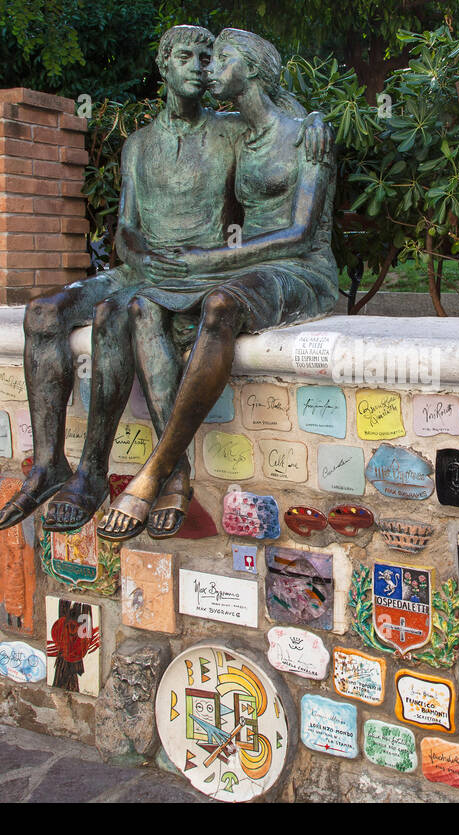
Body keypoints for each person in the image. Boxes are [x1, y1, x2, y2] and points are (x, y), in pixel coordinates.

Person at [0, 25, 326, 533]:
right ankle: (47, 465)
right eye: (187, 57)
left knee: (120, 313)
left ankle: (107, 471)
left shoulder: (233, 132)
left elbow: (274, 122)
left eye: (209, 57)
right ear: (164, 66)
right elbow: (125, 230)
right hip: (141, 265)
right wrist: (141, 252)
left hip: (194, 268)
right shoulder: (138, 144)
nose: (201, 66)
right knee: (41, 312)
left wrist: (314, 119)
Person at [97, 27, 338, 540]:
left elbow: (298, 232)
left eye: (220, 58)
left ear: (250, 69)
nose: (208, 69)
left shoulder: (307, 133)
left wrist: (210, 256)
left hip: (303, 269)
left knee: (221, 303)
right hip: (252, 267)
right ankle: (164, 473)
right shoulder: (241, 137)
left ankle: (156, 469)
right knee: (152, 306)